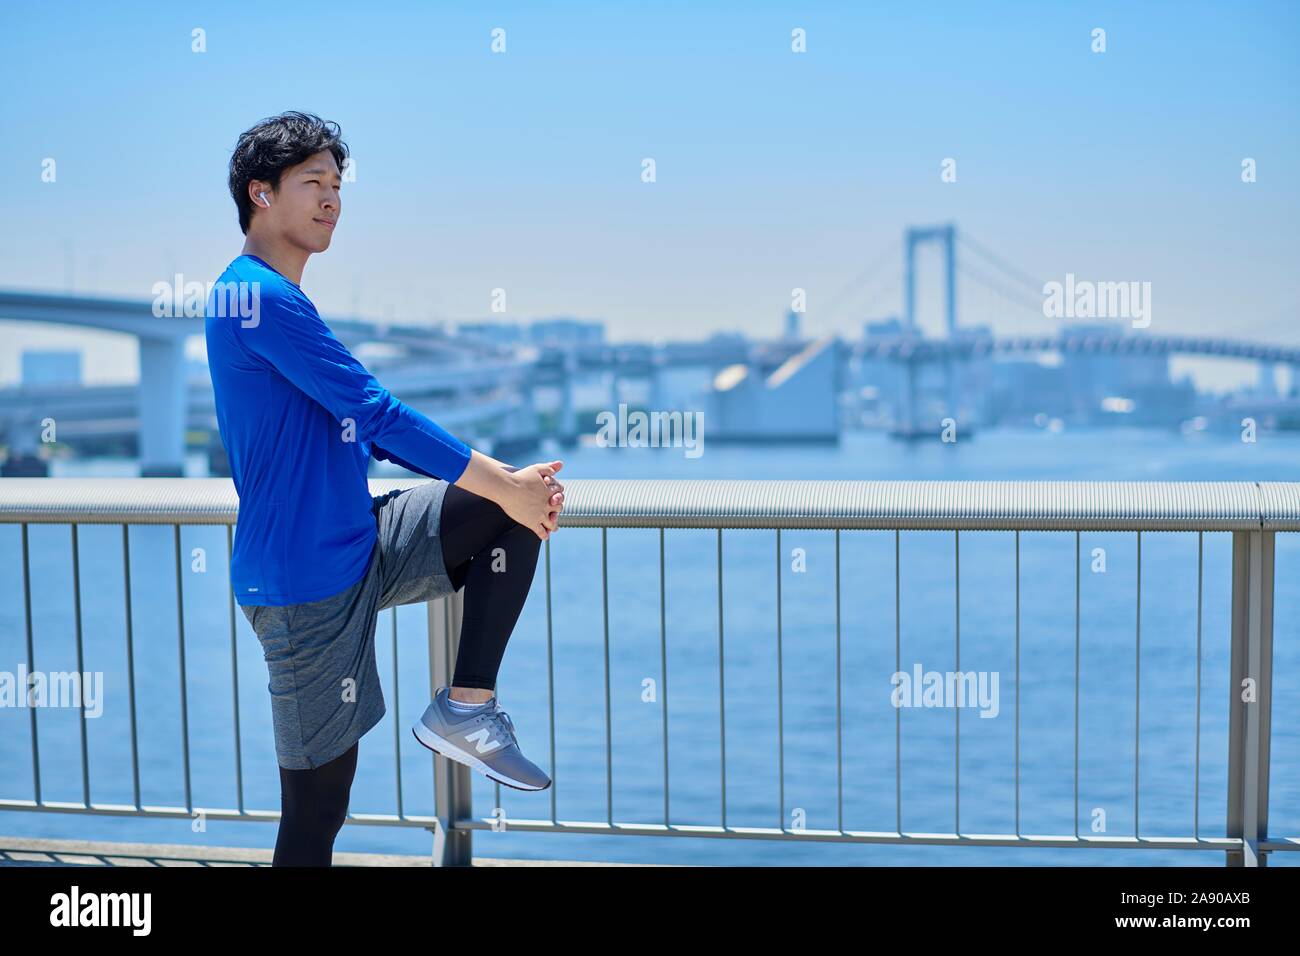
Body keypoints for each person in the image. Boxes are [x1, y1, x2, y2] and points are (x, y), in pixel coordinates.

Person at [204, 111, 563, 867]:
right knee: (317, 811)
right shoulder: (254, 295)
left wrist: (508, 489)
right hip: (303, 585)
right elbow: (376, 410)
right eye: (313, 184)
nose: (333, 199)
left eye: (338, 184)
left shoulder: (279, 297)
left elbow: (356, 428)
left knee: (513, 508)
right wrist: (498, 477)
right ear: (259, 194)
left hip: (362, 539)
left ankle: (466, 709)